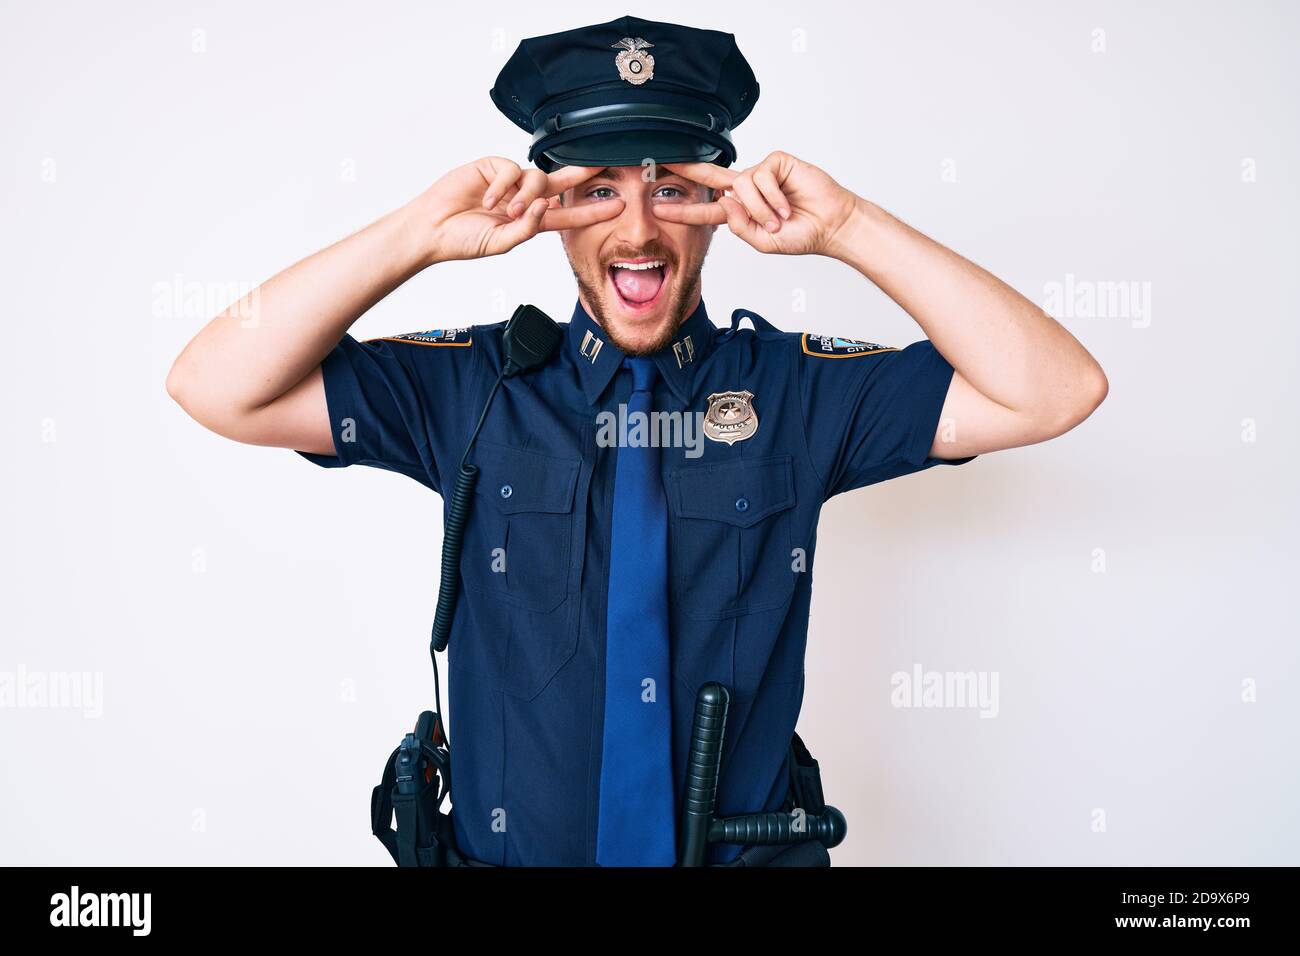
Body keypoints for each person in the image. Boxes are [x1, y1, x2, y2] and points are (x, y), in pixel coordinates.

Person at [166, 15, 1107, 866]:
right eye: (600, 188)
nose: (640, 226)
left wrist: (850, 228)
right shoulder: (473, 387)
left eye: (671, 185)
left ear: (719, 205)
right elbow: (214, 386)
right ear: (552, 211)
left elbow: (1054, 391)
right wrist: (419, 234)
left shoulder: (793, 390)